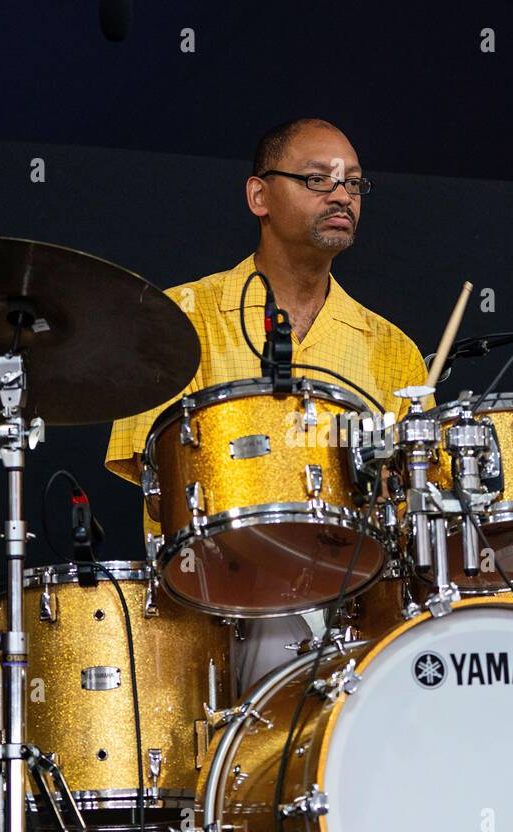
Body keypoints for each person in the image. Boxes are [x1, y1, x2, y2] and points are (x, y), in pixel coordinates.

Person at [104, 117, 431, 690]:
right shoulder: (177, 319)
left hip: (358, 603)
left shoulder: (393, 350)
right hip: (221, 600)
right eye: (317, 180)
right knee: (280, 628)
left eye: (353, 184)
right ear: (259, 195)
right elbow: (159, 487)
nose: (341, 196)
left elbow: (409, 505)